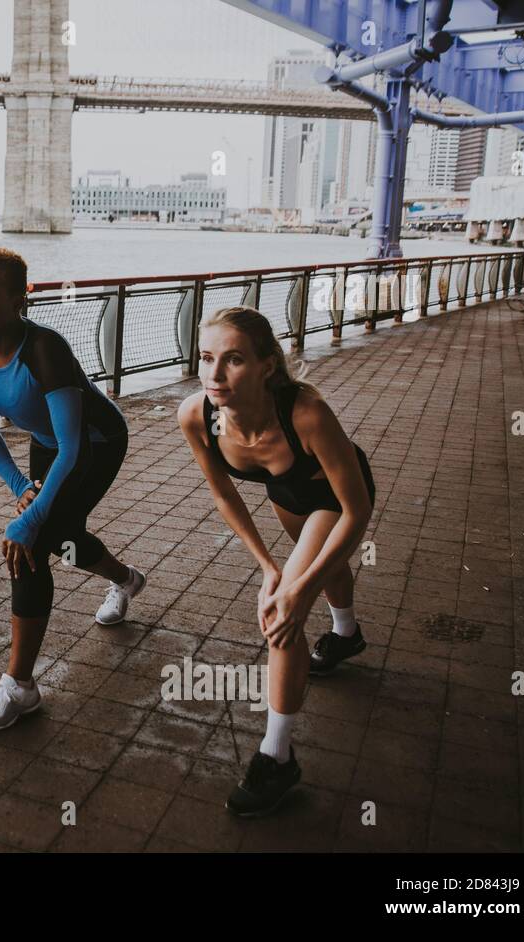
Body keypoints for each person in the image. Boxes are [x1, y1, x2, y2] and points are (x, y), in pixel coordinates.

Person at [177, 305, 375, 817]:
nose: (215, 375)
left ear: (267, 364)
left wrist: (293, 589)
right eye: (206, 358)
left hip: (333, 492)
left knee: (286, 611)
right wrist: (268, 566)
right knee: (319, 569)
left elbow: (356, 510)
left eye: (234, 359)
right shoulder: (196, 415)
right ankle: (347, 634)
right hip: (286, 492)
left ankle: (277, 756)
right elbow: (223, 495)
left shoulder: (306, 412)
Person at [0, 248, 145, 732]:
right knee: (63, 536)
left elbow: (74, 445)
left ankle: (20, 686)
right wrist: (21, 487)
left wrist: (29, 515)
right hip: (49, 445)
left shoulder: (45, 349)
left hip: (94, 443)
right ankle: (125, 579)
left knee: (36, 541)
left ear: (23, 298)